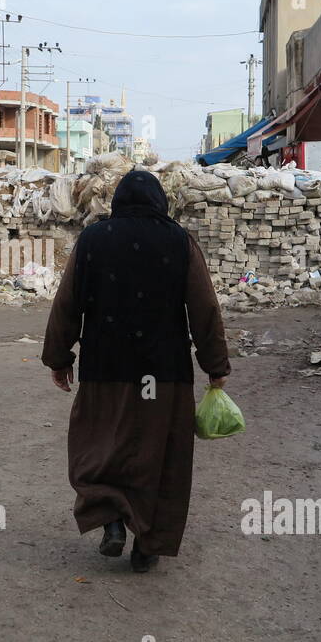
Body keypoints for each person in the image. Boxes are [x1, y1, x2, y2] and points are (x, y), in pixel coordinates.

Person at [41, 170, 231, 572]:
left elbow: (66, 304)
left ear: (119, 202)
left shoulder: (93, 240)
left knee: (99, 444)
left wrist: (60, 358)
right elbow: (204, 309)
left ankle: (111, 517)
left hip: (106, 370)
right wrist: (215, 366)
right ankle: (150, 544)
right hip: (164, 375)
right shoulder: (180, 242)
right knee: (162, 457)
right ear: (160, 202)